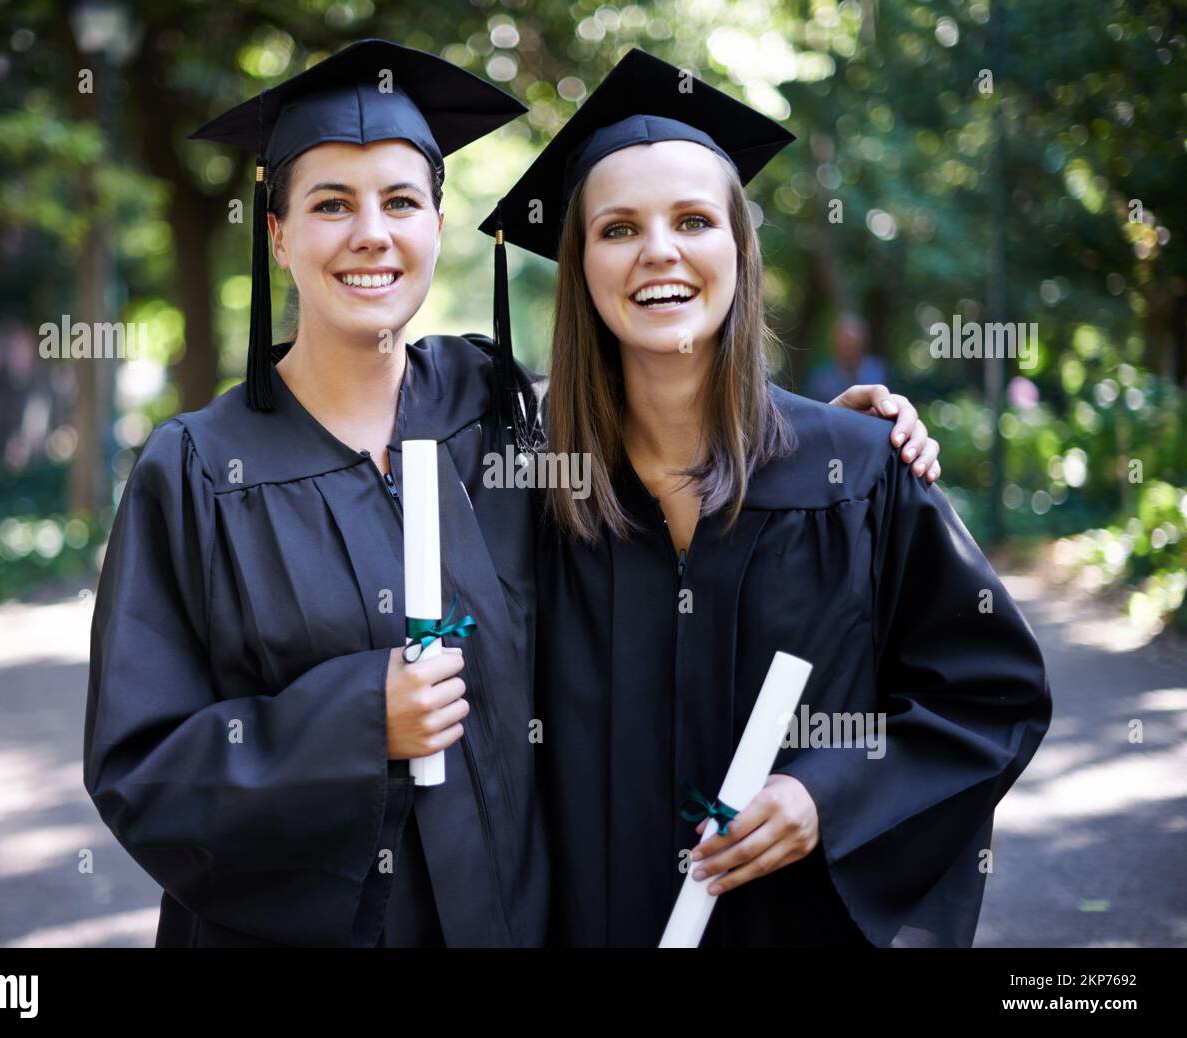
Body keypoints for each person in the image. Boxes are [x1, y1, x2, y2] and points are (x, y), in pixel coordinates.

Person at [84, 38, 941, 948]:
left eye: (401, 202)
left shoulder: (495, 416)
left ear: (438, 228)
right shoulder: (196, 474)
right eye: (331, 204)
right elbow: (141, 771)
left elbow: (655, 455)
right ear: (278, 232)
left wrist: (819, 438)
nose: (371, 233)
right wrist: (348, 723)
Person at [484, 48, 1051, 947]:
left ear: (740, 253)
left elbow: (988, 696)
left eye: (694, 220)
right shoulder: (529, 495)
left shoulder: (860, 474)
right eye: (618, 228)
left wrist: (827, 793)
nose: (659, 250)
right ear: (580, 266)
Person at [806, 312, 890, 404]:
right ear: (834, 342)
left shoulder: (879, 371)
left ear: (864, 341)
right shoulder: (821, 379)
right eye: (845, 340)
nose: (850, 346)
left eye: (854, 341)